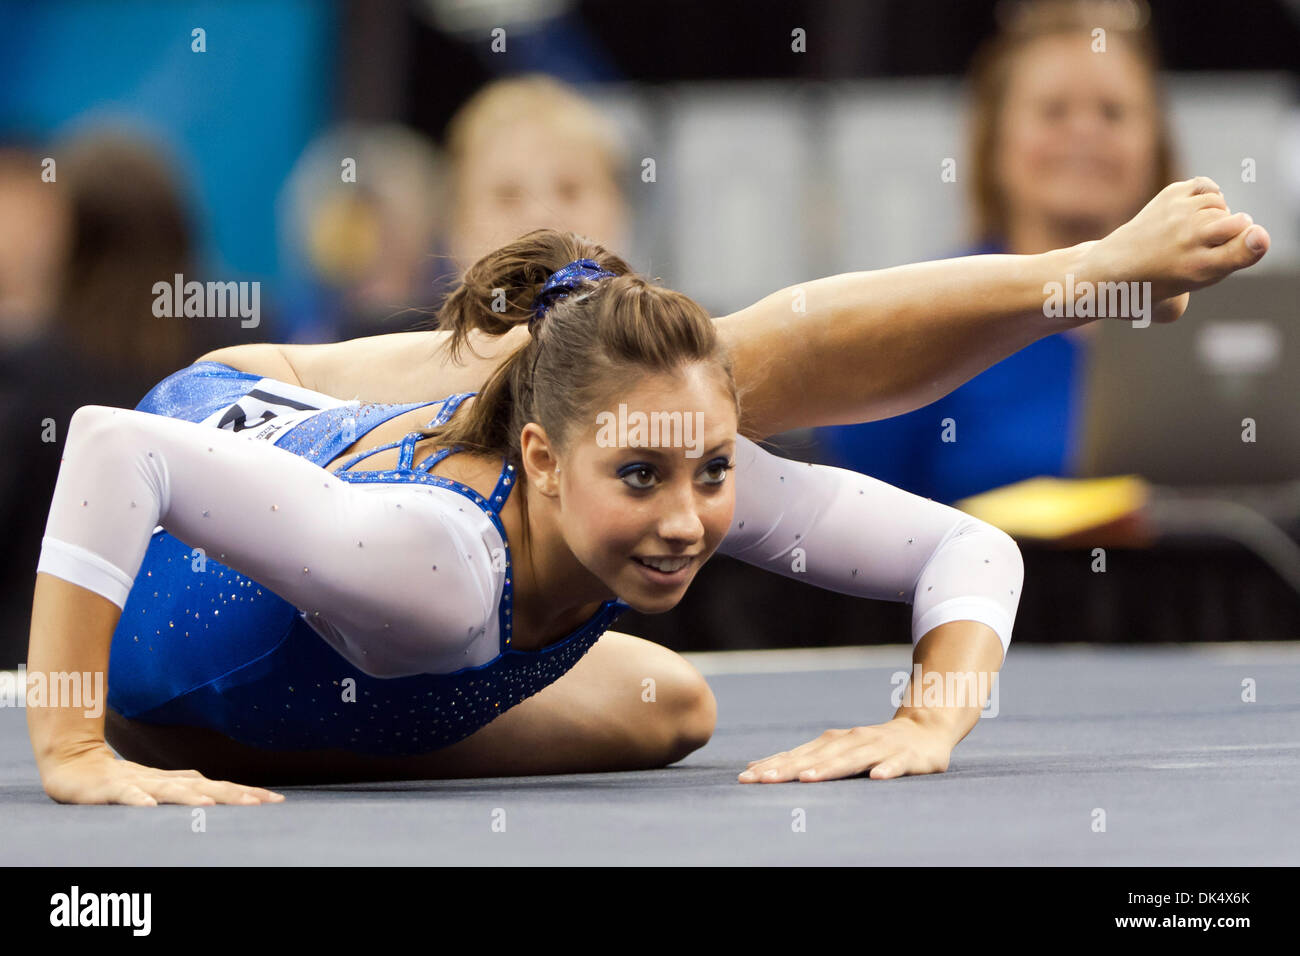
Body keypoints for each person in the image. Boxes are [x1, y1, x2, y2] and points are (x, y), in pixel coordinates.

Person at [28, 177, 1269, 805]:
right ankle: (1078, 272)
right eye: (641, 477)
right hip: (245, 423)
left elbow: (972, 555)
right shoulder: (427, 567)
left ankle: (584, 371)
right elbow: (107, 445)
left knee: (672, 703)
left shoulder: (661, 465)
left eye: (711, 473)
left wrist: (929, 716)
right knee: (728, 356)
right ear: (544, 465)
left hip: (339, 466)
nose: (688, 520)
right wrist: (74, 743)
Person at [819, 0, 1181, 502]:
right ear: (995, 143)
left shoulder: (1209, 316)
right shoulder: (927, 307)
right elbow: (853, 508)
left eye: (1113, 113)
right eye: (1053, 111)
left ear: (1154, 146)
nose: (1084, 131)